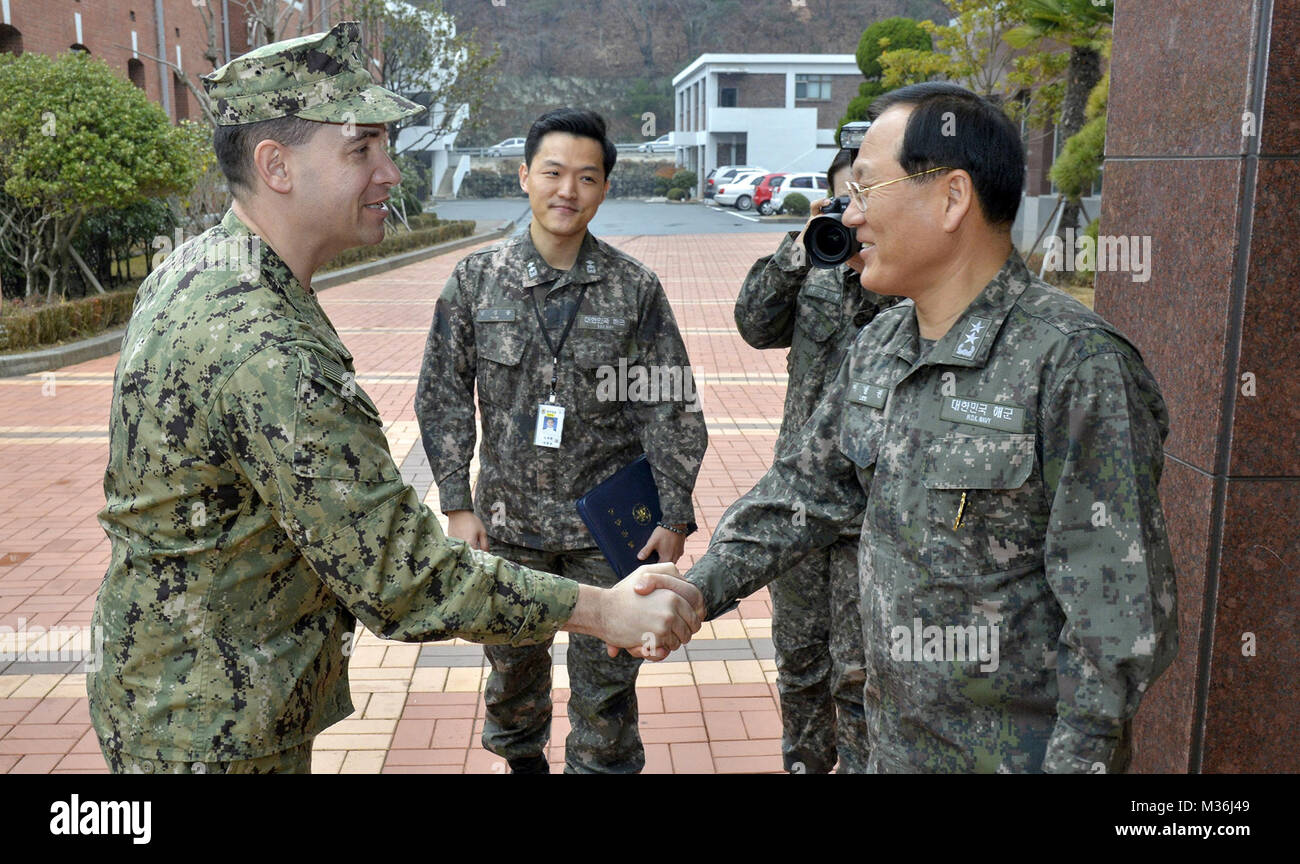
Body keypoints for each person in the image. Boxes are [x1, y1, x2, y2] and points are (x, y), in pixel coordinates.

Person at [89, 23, 702, 776]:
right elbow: (401, 576)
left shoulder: (207, 268)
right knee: (518, 700)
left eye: (385, 146)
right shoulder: (260, 340)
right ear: (275, 165)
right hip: (215, 723)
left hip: (195, 695)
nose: (389, 172)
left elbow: (669, 405)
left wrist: (669, 512)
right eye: (361, 149)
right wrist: (604, 608)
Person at [672, 81, 1179, 772]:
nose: (848, 217)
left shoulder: (1074, 366)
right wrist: (694, 589)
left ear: (951, 198)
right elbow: (801, 493)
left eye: (867, 190)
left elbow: (1117, 629)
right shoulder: (883, 347)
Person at [416, 108, 708, 774]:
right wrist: (459, 504)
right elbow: (442, 396)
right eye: (552, 172)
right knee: (512, 688)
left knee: (607, 701)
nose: (566, 190)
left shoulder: (635, 290)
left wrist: (673, 515)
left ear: (605, 187)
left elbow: (671, 406)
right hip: (508, 529)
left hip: (606, 535)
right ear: (524, 176)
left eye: (586, 176)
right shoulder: (474, 281)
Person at [732, 148, 894, 774]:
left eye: (864, 200)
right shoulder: (814, 263)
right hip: (799, 501)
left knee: (859, 673)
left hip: (869, 512)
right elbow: (753, 323)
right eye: (840, 202)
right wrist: (798, 250)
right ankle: (803, 764)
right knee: (799, 659)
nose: (851, 217)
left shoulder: (906, 279)